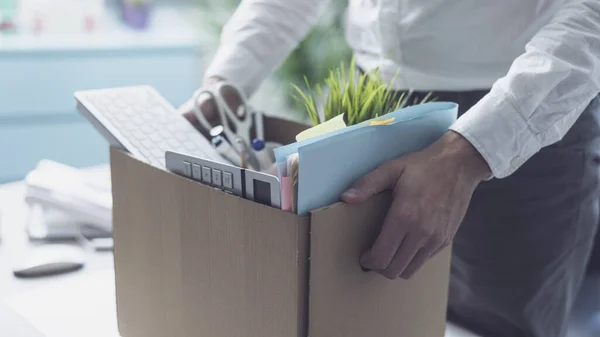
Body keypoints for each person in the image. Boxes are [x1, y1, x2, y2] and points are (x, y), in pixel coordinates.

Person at [179, 1, 600, 336]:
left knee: (489, 324)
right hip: (375, 101)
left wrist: (472, 150)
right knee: (362, 312)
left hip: (517, 112)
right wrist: (226, 82)